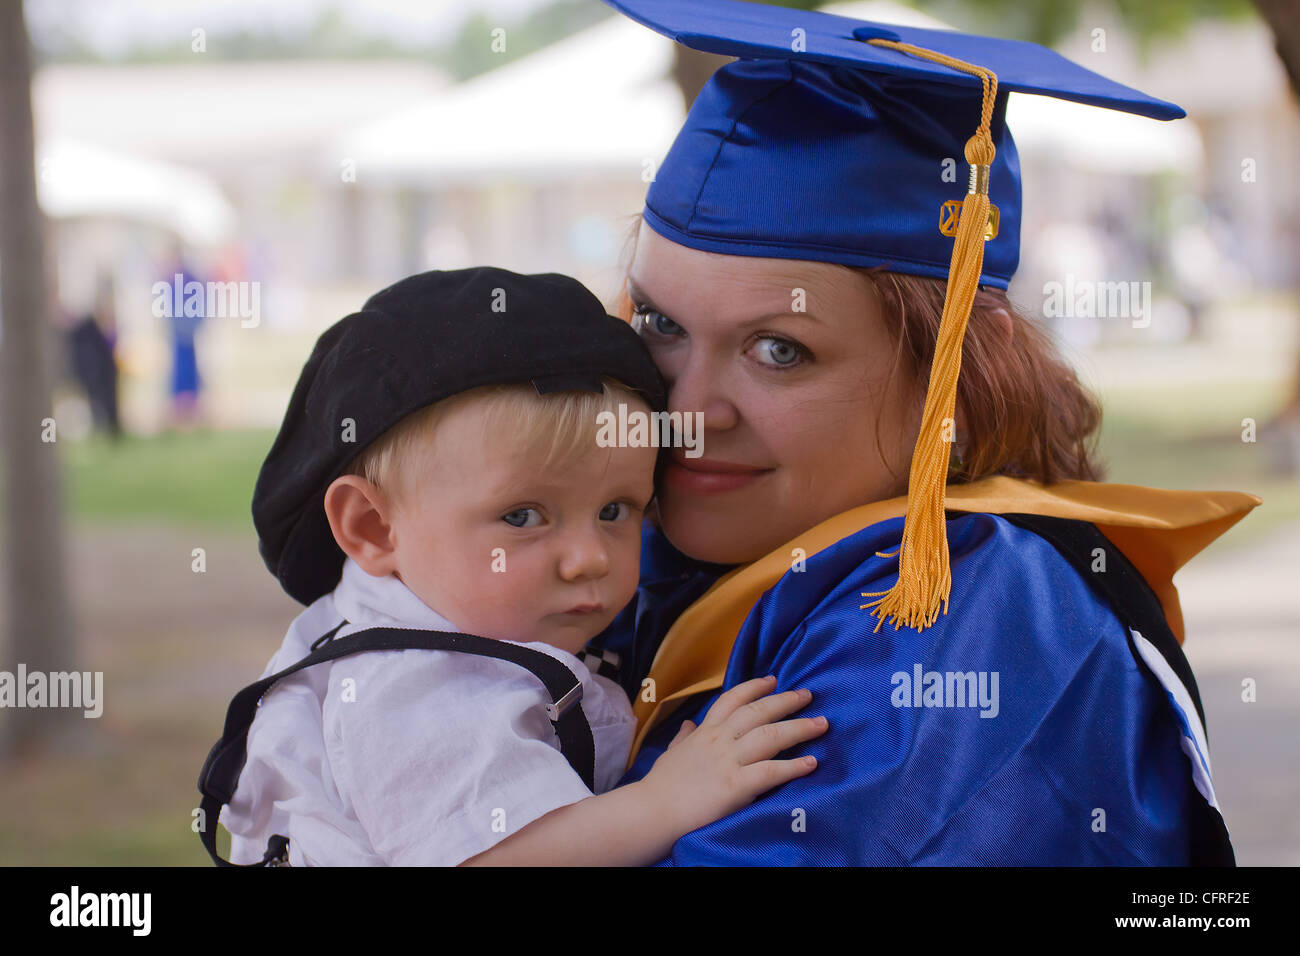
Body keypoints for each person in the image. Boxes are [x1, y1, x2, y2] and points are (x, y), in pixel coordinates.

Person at [586, 0, 1261, 865]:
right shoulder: (649, 549)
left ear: (960, 373)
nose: (692, 408)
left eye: (779, 349)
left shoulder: (968, 616)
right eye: (659, 324)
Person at [214, 268, 827, 866]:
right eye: (523, 517)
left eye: (615, 509)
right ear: (373, 527)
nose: (589, 557)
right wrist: (666, 801)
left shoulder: (445, 621)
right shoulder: (418, 689)